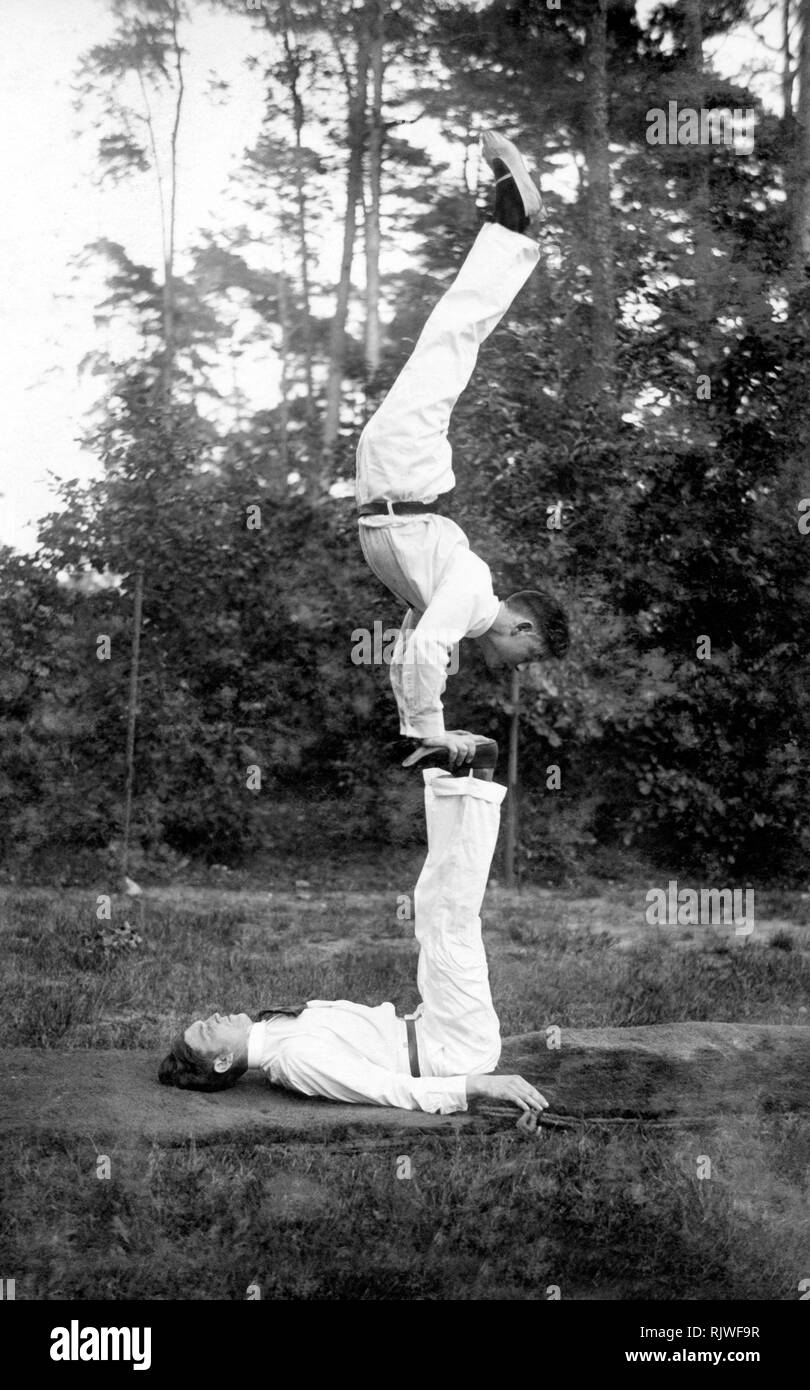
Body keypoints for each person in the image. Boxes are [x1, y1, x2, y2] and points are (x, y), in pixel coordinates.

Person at [159, 766, 549, 1124]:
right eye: (207, 1032)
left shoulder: (273, 1029)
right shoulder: (295, 1060)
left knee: (433, 911)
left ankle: (457, 782)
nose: (212, 1017)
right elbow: (388, 1089)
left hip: (431, 1025)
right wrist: (481, 1085)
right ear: (225, 1062)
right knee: (451, 928)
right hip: (455, 1049)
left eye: (203, 1022)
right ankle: (479, 779)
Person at [355, 130, 569, 773]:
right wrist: (434, 729)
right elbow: (425, 651)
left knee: (450, 336)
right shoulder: (475, 594)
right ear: (523, 629)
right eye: (526, 657)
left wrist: (414, 729)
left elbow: (409, 650)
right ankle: (516, 225)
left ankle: (511, 225)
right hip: (403, 473)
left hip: (392, 483)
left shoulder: (462, 604)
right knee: (453, 334)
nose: (515, 666)